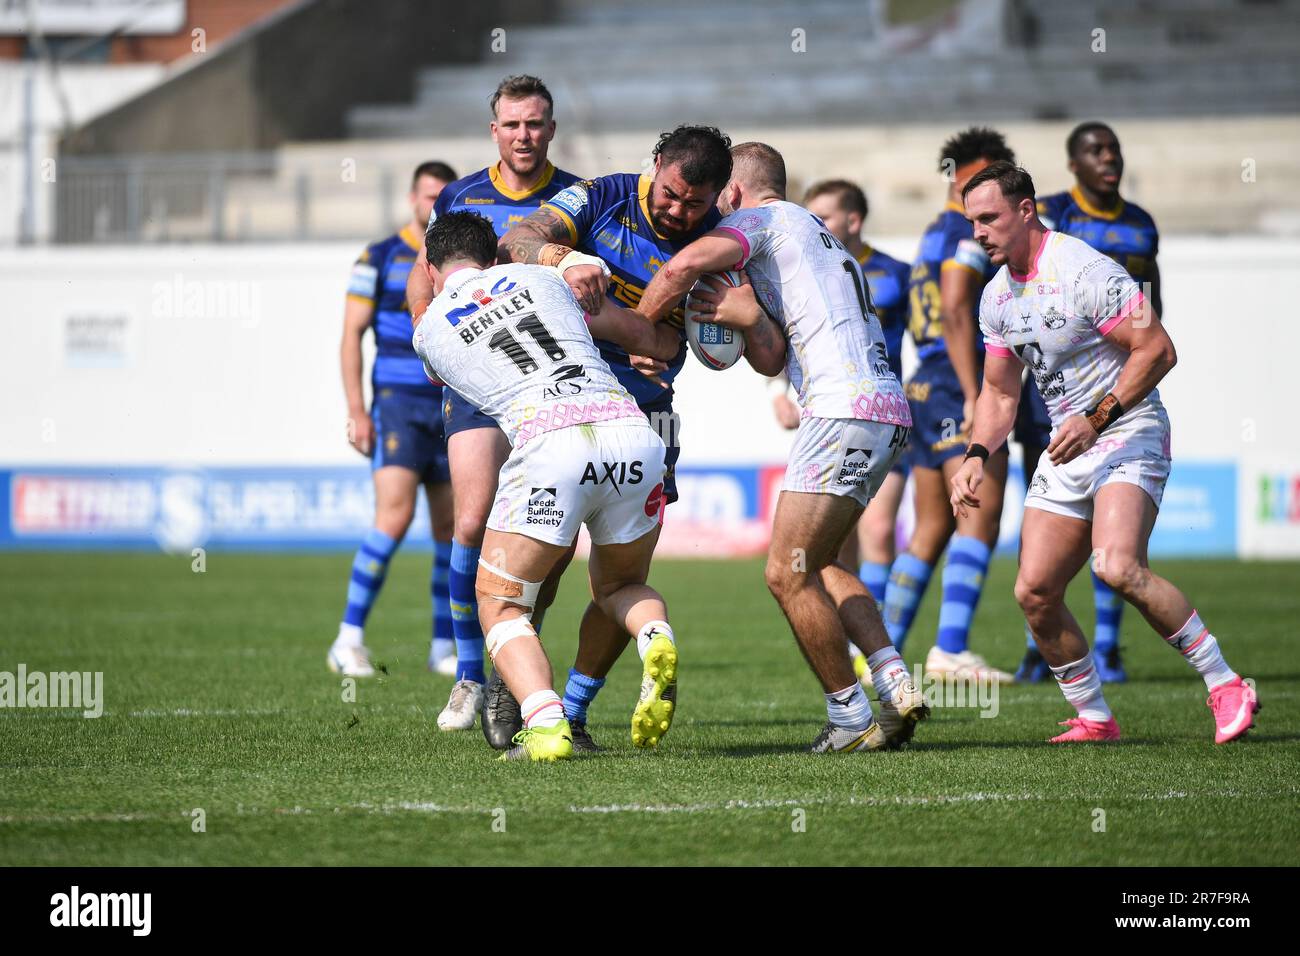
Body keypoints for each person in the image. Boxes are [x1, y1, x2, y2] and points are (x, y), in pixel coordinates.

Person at [952, 161, 1259, 744]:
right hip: (1071, 446)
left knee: (1117, 567)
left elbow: (1159, 349)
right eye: (973, 222)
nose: (980, 232)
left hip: (1127, 429)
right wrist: (975, 454)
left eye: (989, 218)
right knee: (1033, 592)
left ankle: (1226, 684)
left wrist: (1097, 418)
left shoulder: (1088, 272)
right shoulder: (995, 297)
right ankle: (1095, 717)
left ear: (1026, 210)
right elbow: (998, 391)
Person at [638, 143, 927, 752]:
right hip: (884, 411)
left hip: (840, 408)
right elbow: (770, 354)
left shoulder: (759, 220)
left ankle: (849, 719)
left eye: (715, 199)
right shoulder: (814, 236)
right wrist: (746, 316)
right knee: (822, 563)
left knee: (784, 573)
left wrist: (642, 334)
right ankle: (894, 680)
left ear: (734, 192)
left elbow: (679, 267)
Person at [496, 125, 761, 751]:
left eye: (695, 204)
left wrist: (636, 332)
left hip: (647, 420)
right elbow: (515, 240)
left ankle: (570, 712)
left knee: (613, 581)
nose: (678, 211)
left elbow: (683, 345)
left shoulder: (717, 244)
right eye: (671, 194)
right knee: (552, 563)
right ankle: (522, 693)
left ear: (719, 196)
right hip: (564, 408)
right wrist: (568, 259)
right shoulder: (601, 197)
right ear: (657, 165)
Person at [412, 211, 683, 760]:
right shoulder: (547, 279)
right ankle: (655, 636)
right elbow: (629, 331)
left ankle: (543, 722)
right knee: (616, 588)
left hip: (550, 442)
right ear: (493, 257)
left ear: (431, 267)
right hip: (633, 431)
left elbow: (452, 378)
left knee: (501, 605)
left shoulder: (429, 329)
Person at [403, 75, 582, 735]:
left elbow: (587, 285)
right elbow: (422, 287)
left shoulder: (573, 198)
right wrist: (438, 350)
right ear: (494, 131)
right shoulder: (458, 196)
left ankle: (516, 672)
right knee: (472, 523)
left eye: (535, 124)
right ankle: (470, 678)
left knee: (549, 542)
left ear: (551, 128)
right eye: (512, 125)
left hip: (549, 388)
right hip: (479, 385)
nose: (523, 136)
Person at [1015, 121, 1164, 684]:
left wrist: (1143, 364)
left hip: (1117, 390)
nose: (1109, 159)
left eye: (1115, 149)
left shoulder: (1140, 223)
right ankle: (1045, 641)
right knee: (1050, 527)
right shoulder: (1052, 215)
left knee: (1113, 537)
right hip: (1053, 396)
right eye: (1095, 151)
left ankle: (1108, 644)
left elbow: (1151, 303)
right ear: (1072, 164)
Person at [881, 127, 1017, 684]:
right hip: (956, 376)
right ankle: (951, 648)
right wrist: (974, 393)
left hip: (921, 384)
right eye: (986, 175)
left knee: (932, 526)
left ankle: (884, 653)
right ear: (960, 178)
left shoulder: (931, 234)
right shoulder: (966, 232)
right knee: (979, 518)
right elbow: (958, 309)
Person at [329, 160, 458, 679]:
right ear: (412, 199)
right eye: (427, 197)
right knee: (395, 518)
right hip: (399, 406)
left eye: (441, 199)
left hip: (451, 406)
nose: (433, 206)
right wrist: (358, 410)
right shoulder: (379, 256)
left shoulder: (461, 260)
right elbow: (350, 335)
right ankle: (348, 638)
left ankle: (443, 647)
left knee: (452, 531)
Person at [801, 179, 912, 684]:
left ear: (854, 219)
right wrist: (780, 394)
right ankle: (867, 650)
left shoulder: (894, 273)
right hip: (832, 414)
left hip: (874, 412)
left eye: (825, 216)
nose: (816, 225)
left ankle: (878, 657)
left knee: (875, 532)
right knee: (832, 551)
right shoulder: (811, 271)